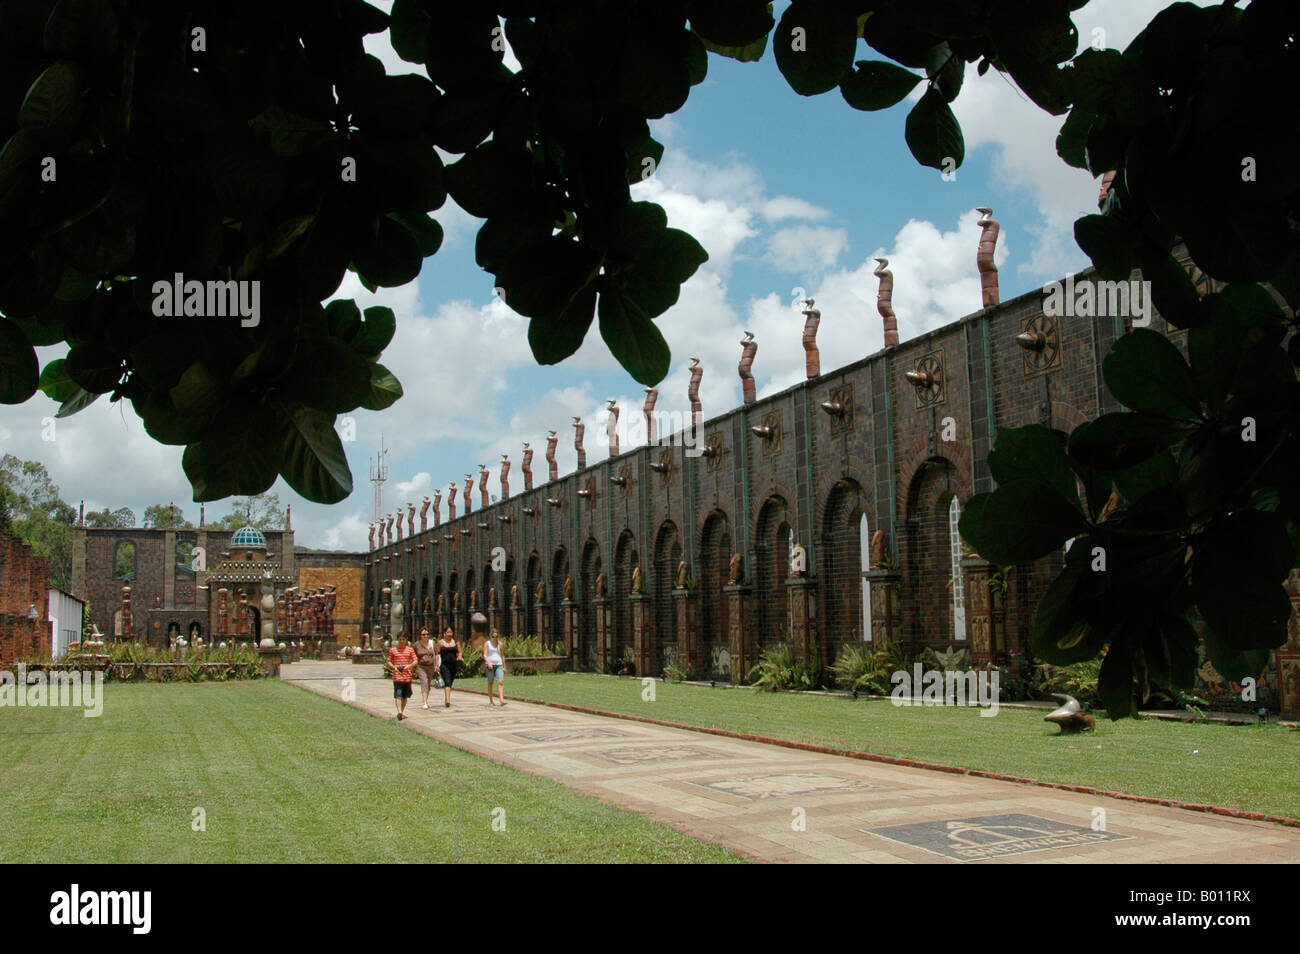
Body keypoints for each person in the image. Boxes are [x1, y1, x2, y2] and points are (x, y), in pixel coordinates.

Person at [387, 631, 417, 720]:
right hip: (397, 676)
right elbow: (388, 660)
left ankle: (401, 712)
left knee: (405, 696)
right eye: (400, 639)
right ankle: (399, 711)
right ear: (397, 640)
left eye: (403, 639)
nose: (401, 641)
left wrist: (409, 666)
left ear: (406, 640)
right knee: (398, 694)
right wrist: (394, 667)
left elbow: (416, 660)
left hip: (407, 676)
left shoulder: (410, 650)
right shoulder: (393, 650)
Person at [437, 627, 462, 708]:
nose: (449, 634)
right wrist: (436, 665)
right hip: (444, 665)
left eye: (451, 632)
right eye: (448, 632)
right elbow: (437, 654)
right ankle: (448, 701)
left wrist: (459, 657)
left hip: (453, 665)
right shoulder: (441, 642)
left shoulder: (455, 642)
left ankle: (446, 697)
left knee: (450, 682)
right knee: (447, 681)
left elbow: (460, 651)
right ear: (444, 633)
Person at [414, 627, 439, 709]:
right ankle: (424, 702)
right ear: (420, 636)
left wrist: (437, 666)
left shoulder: (432, 643)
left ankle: (426, 700)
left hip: (431, 667)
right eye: (424, 634)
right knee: (424, 682)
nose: (426, 636)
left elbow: (437, 655)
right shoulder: (416, 645)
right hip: (421, 667)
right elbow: (413, 655)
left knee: (428, 684)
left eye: (427, 634)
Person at [483, 629, 507, 707]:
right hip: (490, 665)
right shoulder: (487, 644)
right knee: (490, 682)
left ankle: (501, 700)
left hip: (499, 664)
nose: (495, 638)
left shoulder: (500, 644)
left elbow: (502, 656)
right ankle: (491, 701)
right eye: (493, 637)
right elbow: (485, 655)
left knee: (500, 681)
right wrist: (488, 663)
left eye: (496, 637)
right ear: (491, 636)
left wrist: (504, 666)